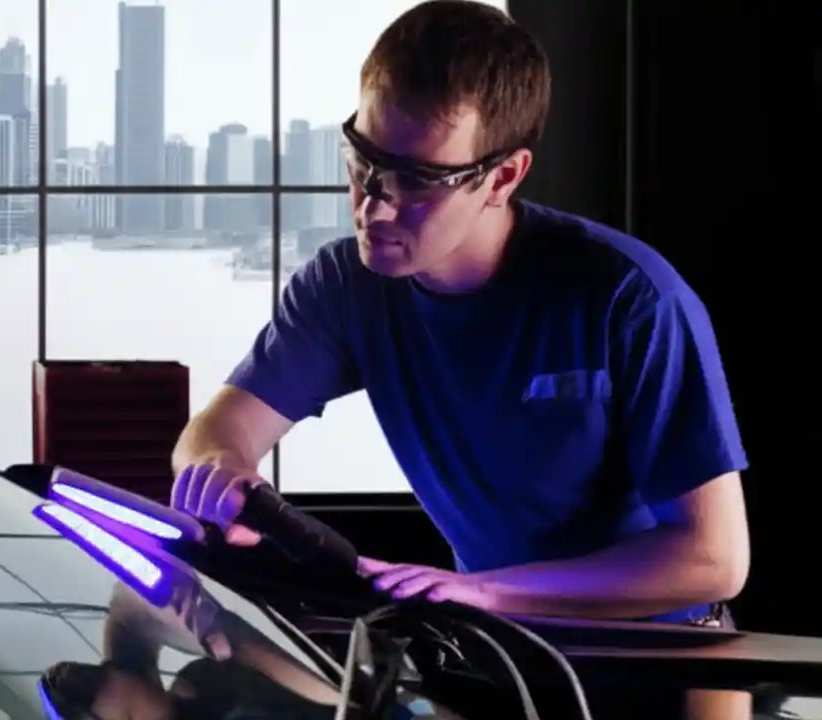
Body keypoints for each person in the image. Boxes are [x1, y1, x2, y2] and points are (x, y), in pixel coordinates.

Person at [170, 0, 750, 630]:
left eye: (418, 181)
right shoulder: (345, 286)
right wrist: (221, 473)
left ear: (503, 177)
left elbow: (714, 559)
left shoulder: (629, 299)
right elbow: (216, 431)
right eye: (363, 160)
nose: (373, 206)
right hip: (503, 642)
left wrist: (486, 592)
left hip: (665, 653)